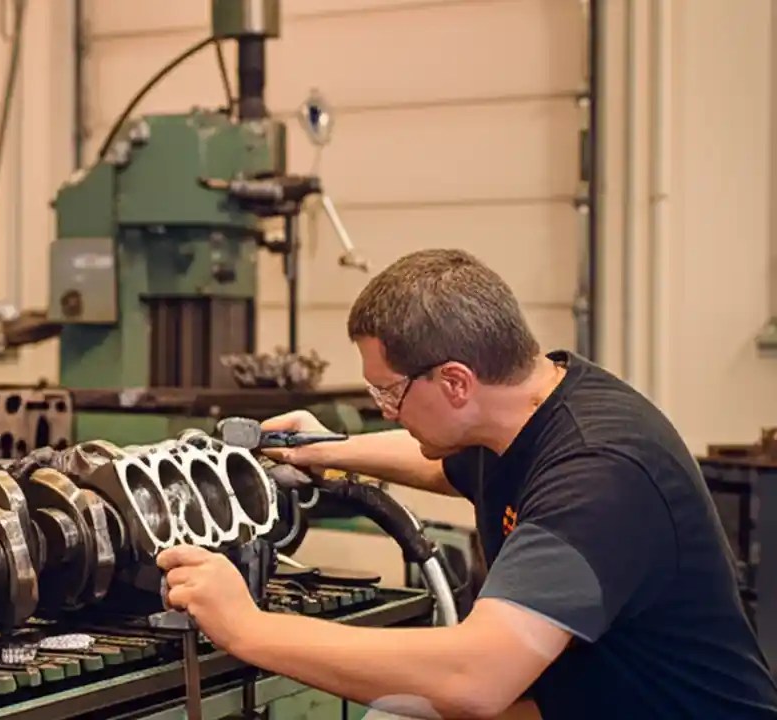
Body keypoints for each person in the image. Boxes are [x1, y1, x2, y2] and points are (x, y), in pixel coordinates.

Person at [157, 249, 777, 719]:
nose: (388, 411)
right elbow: (440, 463)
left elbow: (473, 679)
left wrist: (248, 627)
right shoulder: (528, 410)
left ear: (455, 381)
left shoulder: (598, 475)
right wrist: (332, 450)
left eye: (390, 392)